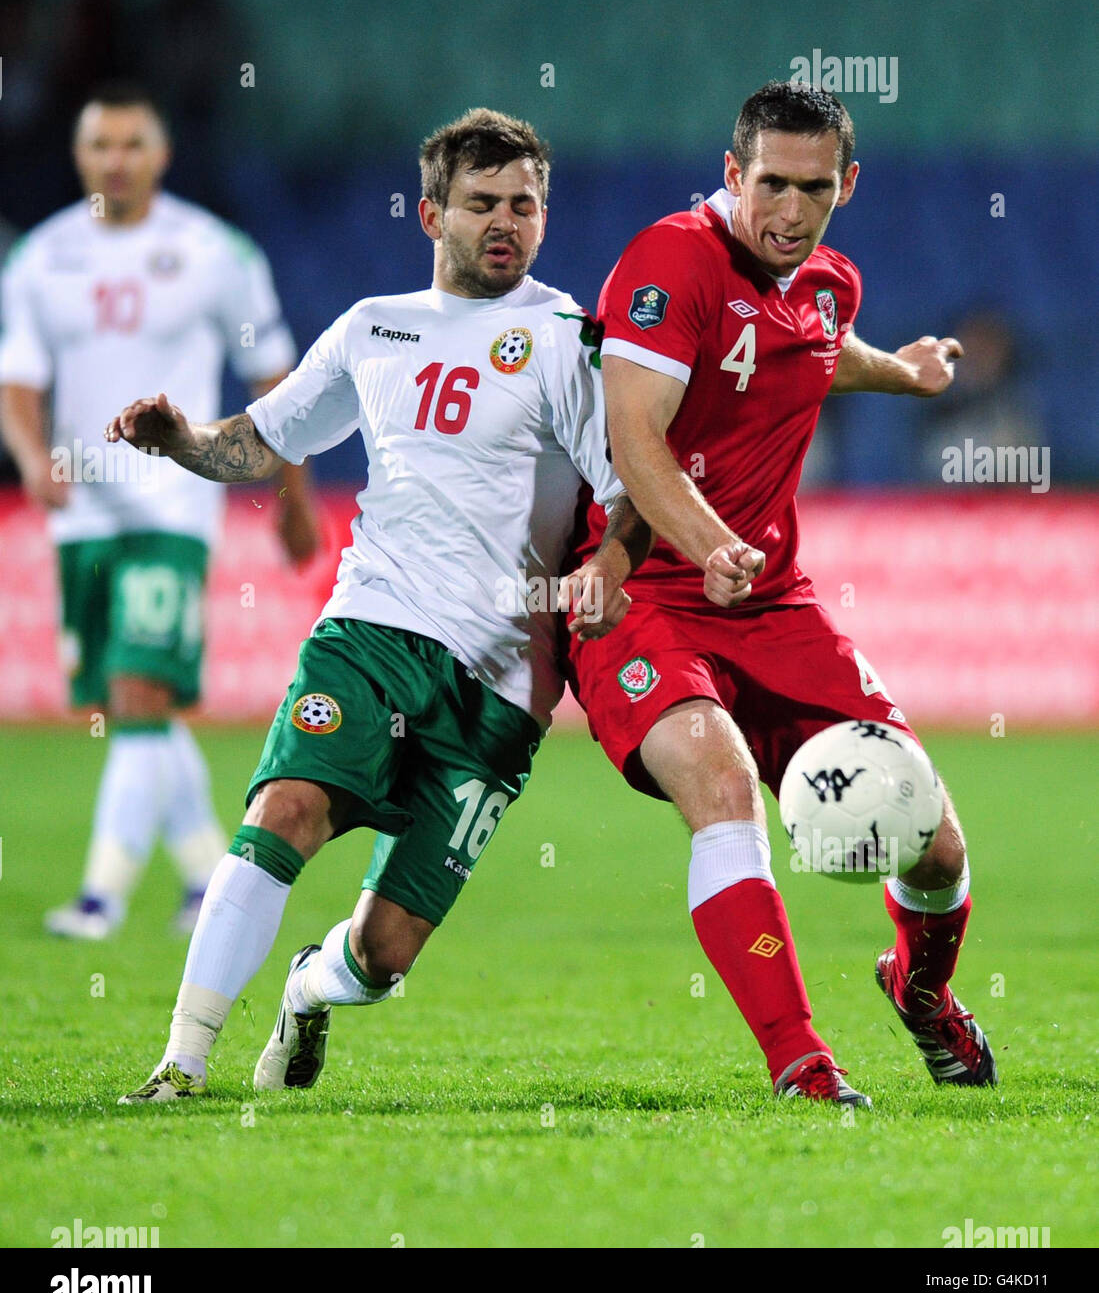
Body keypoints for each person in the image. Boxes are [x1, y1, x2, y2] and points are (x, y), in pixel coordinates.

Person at [112, 108, 646, 1104]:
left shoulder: (568, 338)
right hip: (370, 631)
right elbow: (266, 443)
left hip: (502, 685)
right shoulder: (373, 328)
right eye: (482, 202)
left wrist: (612, 561)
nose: (506, 222)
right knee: (285, 811)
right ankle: (181, 1061)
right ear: (430, 212)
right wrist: (182, 439)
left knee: (384, 955)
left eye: (525, 204)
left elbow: (630, 484)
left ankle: (307, 993)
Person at [568, 81, 996, 1107]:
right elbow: (636, 436)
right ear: (731, 174)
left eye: (812, 188)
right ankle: (801, 1063)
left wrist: (905, 374)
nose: (788, 210)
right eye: (769, 184)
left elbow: (810, 346)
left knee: (933, 843)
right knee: (719, 789)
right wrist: (710, 543)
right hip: (645, 593)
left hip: (774, 604)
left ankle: (922, 993)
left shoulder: (827, 280)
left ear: (846, 185)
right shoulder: (670, 263)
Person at [0, 82, 319, 940]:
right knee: (132, 699)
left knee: (137, 691)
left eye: (133, 144)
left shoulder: (215, 252)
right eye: (101, 145)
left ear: (161, 155)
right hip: (81, 512)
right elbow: (17, 381)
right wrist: (33, 459)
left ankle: (101, 898)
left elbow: (276, 384)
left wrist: (292, 495)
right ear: (79, 156)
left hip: (175, 500)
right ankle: (206, 877)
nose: (116, 159)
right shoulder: (40, 259)